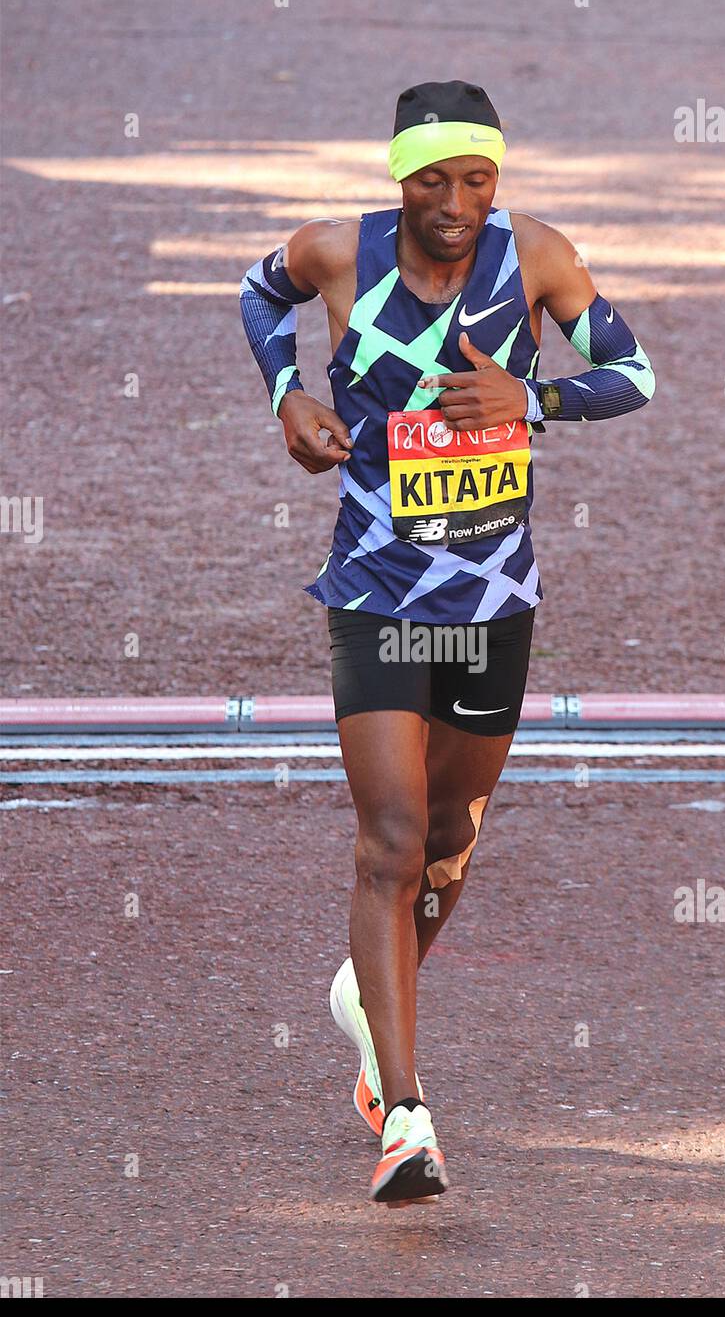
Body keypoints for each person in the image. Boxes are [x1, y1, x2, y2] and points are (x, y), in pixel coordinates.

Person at [240, 79, 655, 1206]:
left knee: (446, 843)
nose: (457, 202)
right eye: (434, 179)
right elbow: (254, 290)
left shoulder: (535, 258)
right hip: (375, 589)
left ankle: (364, 998)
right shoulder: (336, 253)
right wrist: (285, 394)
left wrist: (532, 401)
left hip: (491, 604)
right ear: (398, 177)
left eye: (477, 179)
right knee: (387, 838)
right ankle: (405, 1109)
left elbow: (635, 374)